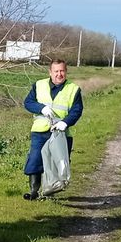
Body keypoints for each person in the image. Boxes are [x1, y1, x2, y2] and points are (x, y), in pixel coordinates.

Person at [22, 59, 84, 200]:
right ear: (50, 72)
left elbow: (77, 110)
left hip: (61, 133)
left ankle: (51, 190)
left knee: (58, 162)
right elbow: (28, 102)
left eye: (62, 71)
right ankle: (34, 192)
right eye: (56, 71)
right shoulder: (39, 85)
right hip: (40, 131)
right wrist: (41, 108)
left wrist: (66, 122)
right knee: (35, 159)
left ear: (66, 72)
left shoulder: (73, 89)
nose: (59, 74)